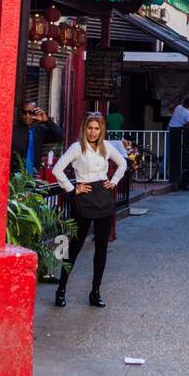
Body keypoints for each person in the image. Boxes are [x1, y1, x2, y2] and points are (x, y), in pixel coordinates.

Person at [52, 112, 126, 309]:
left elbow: (123, 163)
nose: (93, 132)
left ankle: (95, 292)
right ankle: (61, 290)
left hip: (103, 196)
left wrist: (114, 181)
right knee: (75, 247)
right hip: (84, 197)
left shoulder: (106, 147)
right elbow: (57, 169)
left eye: (96, 128)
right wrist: (72, 188)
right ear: (84, 129)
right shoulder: (76, 148)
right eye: (89, 128)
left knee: (101, 249)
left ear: (101, 130)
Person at [11, 101, 63, 176]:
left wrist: (47, 121)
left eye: (31, 113)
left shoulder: (40, 131)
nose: (27, 116)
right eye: (24, 113)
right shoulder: (13, 131)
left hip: (34, 178)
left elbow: (60, 137)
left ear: (36, 113)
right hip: (16, 178)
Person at [167, 95, 189, 190]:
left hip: (170, 129)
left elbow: (170, 109)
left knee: (169, 153)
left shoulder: (178, 107)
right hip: (178, 132)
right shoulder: (187, 113)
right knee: (178, 154)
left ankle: (165, 174)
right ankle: (175, 177)